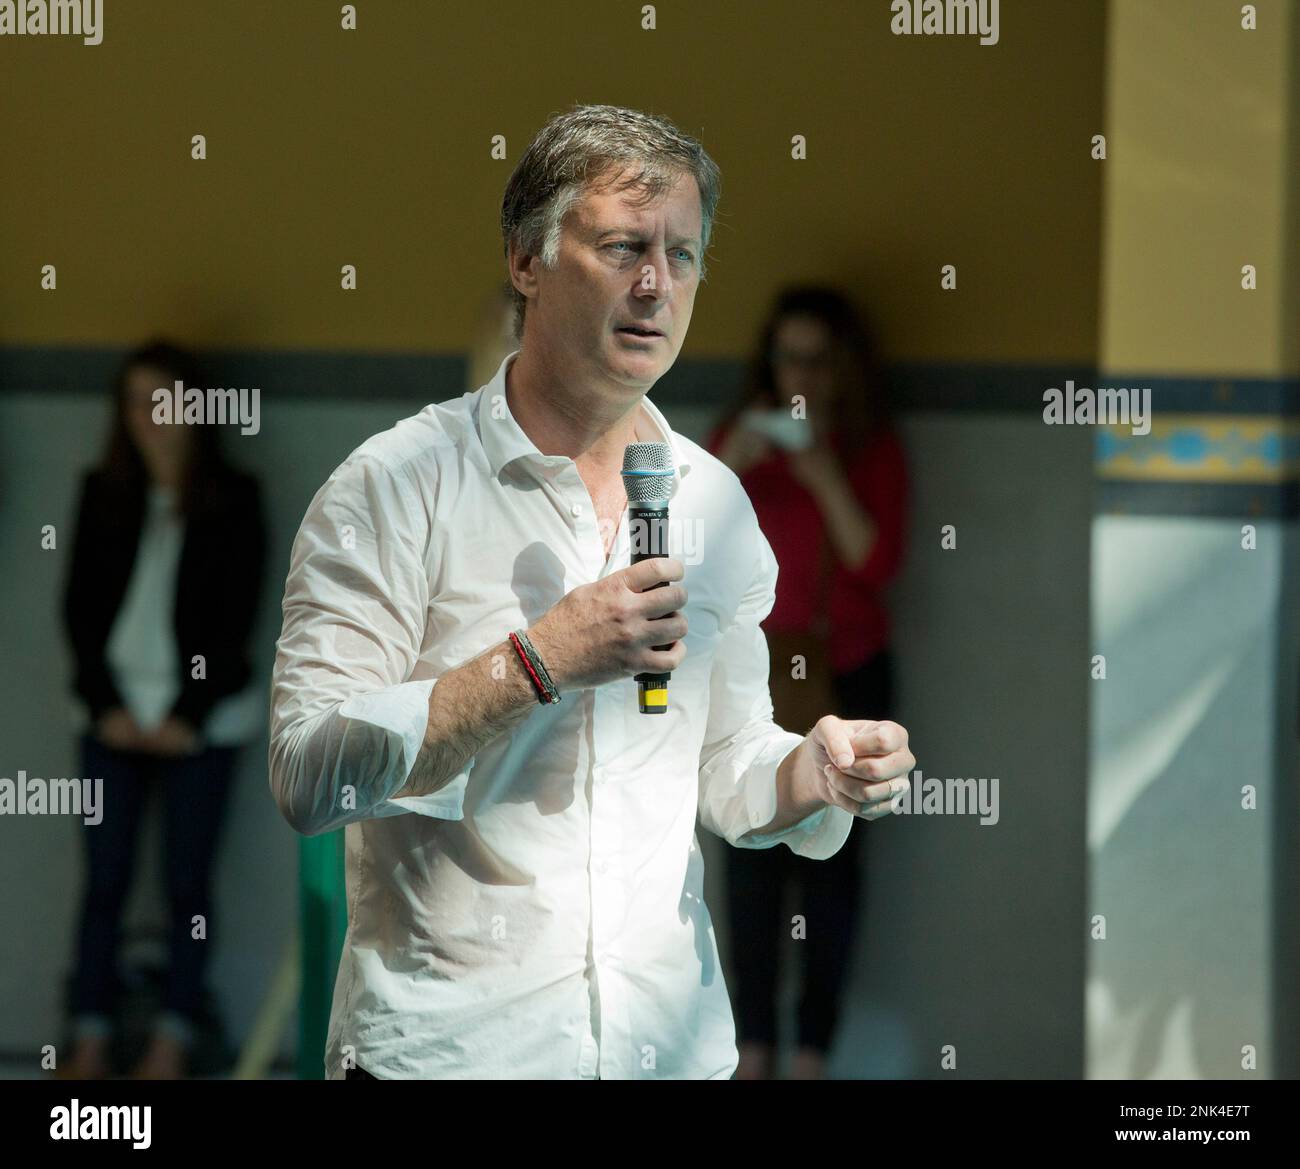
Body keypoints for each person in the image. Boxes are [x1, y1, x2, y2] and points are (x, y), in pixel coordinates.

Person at [267, 103, 915, 1081]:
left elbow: (725, 761)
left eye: (682, 255)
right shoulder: (394, 485)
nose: (656, 283)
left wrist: (811, 773)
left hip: (668, 1049)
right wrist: (539, 661)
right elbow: (309, 774)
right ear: (525, 261)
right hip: (453, 1055)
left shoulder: (713, 499)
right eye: (621, 247)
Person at [708, 288, 909, 1079]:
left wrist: (825, 474)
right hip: (754, 671)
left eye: (818, 360)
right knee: (748, 857)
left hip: (846, 668)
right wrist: (731, 464)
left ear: (844, 368)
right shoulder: (739, 438)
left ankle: (812, 1054)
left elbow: (876, 561)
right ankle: (753, 1048)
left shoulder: (872, 450)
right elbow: (678, 542)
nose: (801, 376)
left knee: (832, 869)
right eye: (788, 357)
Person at [58, 340, 267, 1080]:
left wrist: (187, 715)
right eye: (135, 402)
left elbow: (236, 619)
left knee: (187, 883)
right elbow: (78, 613)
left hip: (201, 724)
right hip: (111, 715)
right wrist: (107, 706)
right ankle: (87, 1038)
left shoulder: (233, 500)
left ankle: (171, 1042)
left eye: (163, 400)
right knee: (104, 880)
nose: (149, 416)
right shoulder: (103, 494)